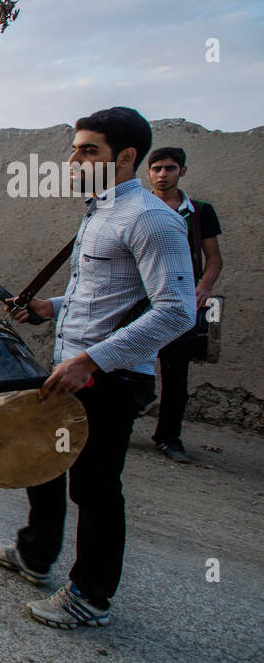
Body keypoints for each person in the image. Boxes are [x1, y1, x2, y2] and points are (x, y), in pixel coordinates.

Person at [0, 106, 195, 630]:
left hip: (111, 375)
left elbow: (176, 310)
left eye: (88, 150)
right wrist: (49, 307)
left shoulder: (151, 218)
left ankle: (91, 596)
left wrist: (93, 360)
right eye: (75, 147)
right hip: (72, 364)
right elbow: (97, 294)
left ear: (125, 157)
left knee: (96, 487)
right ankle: (36, 555)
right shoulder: (98, 211)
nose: (73, 158)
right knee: (45, 461)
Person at [146, 147, 224, 463]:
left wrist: (203, 289)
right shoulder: (138, 207)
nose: (163, 174)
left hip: (178, 303)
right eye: (157, 169)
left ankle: (168, 437)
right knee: (124, 367)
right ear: (148, 173)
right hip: (139, 300)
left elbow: (214, 259)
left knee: (176, 375)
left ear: (183, 171)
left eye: (170, 168)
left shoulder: (201, 211)